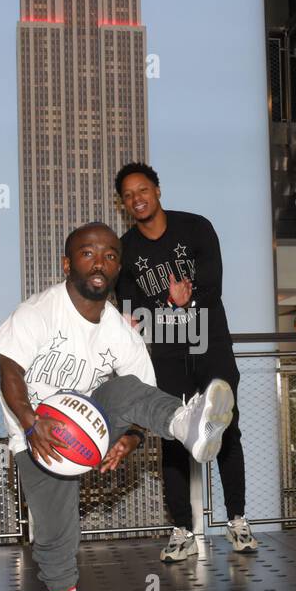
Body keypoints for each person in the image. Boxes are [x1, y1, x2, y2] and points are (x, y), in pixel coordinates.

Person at [0, 222, 235, 591]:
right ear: (68, 263)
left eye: (110, 255)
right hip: (38, 435)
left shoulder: (121, 331)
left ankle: (184, 425)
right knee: (53, 532)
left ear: (118, 268)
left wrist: (133, 438)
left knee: (124, 389)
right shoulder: (38, 312)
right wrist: (28, 422)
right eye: (88, 253)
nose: (99, 262)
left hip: (93, 422)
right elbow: (9, 371)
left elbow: (138, 393)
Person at [113, 162, 257, 562]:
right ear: (122, 204)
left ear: (157, 190)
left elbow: (213, 284)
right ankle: (181, 529)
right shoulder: (126, 251)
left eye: (142, 189)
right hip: (167, 346)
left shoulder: (196, 228)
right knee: (173, 433)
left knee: (225, 425)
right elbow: (129, 306)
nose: (136, 199)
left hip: (209, 339)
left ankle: (237, 520)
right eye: (128, 195)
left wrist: (188, 300)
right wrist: (163, 304)